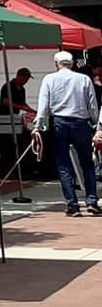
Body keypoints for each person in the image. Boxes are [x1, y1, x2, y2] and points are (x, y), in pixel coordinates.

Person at [35, 50, 100, 216]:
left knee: (63, 164)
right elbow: (92, 104)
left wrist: (38, 124)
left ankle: (72, 204)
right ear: (71, 64)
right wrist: (95, 125)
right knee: (87, 163)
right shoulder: (84, 79)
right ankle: (92, 201)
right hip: (81, 122)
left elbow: (43, 104)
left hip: (59, 122)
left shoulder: (49, 79)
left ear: (56, 64)